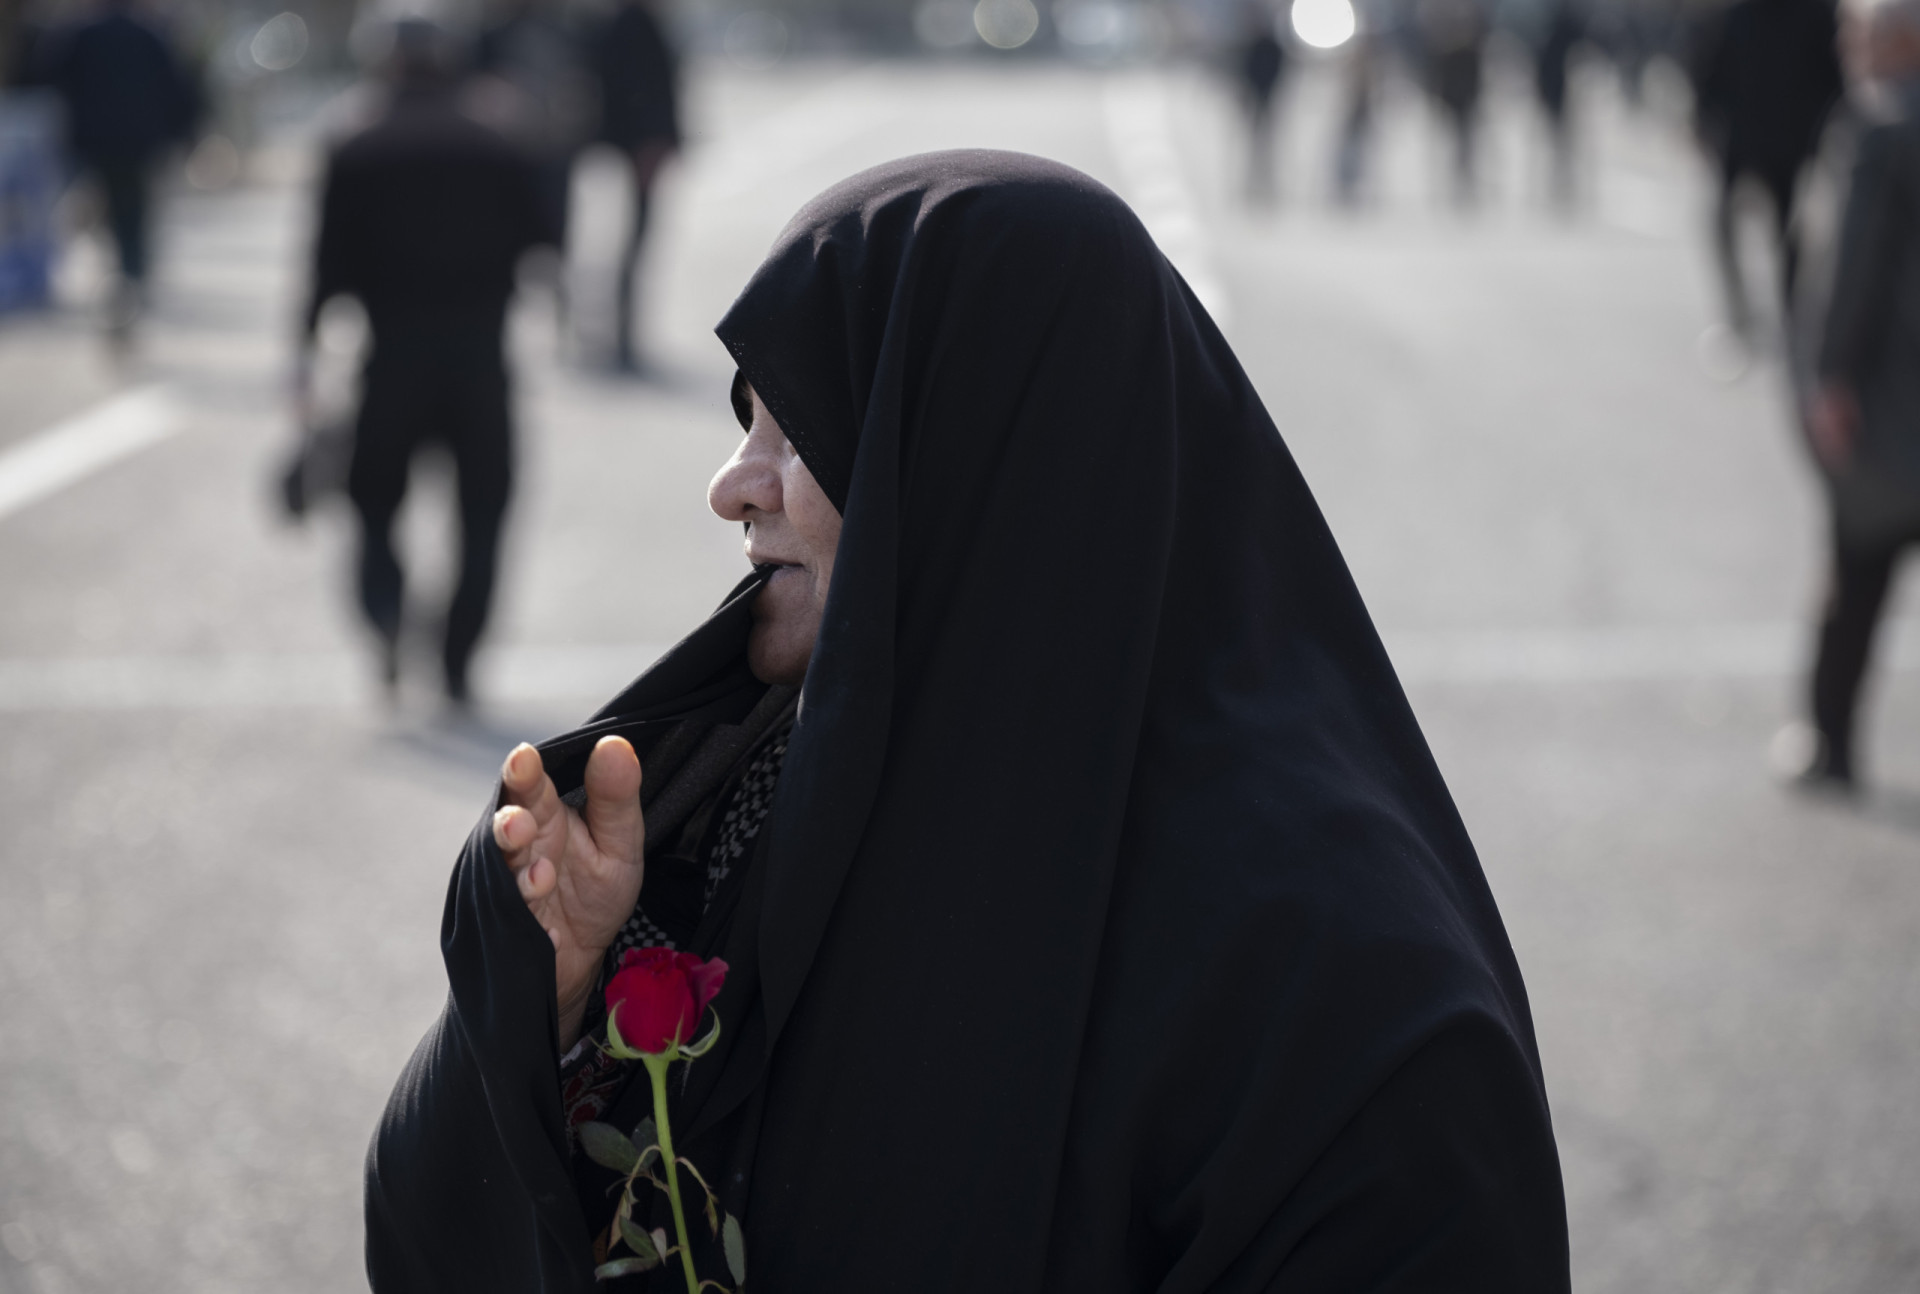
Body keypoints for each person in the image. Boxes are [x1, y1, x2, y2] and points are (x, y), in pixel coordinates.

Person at [363, 151, 1570, 1290]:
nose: (733, 484)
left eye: (806, 429)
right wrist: (551, 1008)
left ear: (974, 458)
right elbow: (436, 1247)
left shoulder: (1339, 983)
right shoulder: (738, 804)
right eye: (748, 423)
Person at [297, 21, 554, 704]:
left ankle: (385, 613)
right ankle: (457, 660)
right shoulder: (499, 137)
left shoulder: (355, 141)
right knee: (484, 514)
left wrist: (301, 358)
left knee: (374, 503)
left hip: (389, 359)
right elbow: (546, 234)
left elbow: (323, 267)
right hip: (479, 358)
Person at [1786, 0, 1920, 789]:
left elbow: (1850, 267)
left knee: (1856, 579)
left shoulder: (1878, 126)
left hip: (1891, 400)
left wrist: (1830, 378)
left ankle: (1829, 744)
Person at [37, 0, 194, 339]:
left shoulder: (80, 34)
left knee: (101, 213)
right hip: (139, 144)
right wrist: (180, 136)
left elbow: (48, 77)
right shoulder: (150, 36)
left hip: (93, 144)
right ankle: (129, 280)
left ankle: (119, 281)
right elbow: (178, 89)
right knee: (132, 215)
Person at [1691, 0, 1843, 336]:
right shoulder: (1733, 15)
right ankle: (1740, 310)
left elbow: (1832, 81)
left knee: (1788, 233)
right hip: (1741, 141)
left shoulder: (1813, 14)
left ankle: (1790, 311)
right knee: (1723, 224)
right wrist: (1703, 123)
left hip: (1788, 142)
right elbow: (1707, 72)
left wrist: (1816, 134)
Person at [592, 0, 680, 372]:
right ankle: (618, 336)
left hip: (637, 148)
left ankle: (620, 335)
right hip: (635, 150)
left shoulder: (634, 19)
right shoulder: (632, 21)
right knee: (627, 245)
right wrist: (650, 142)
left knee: (632, 245)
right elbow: (637, 88)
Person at [1418, 0, 1488, 204]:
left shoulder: (1469, 51)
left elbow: (1475, 76)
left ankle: (1464, 181)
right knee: (1451, 143)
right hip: (1450, 99)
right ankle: (1451, 181)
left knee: (1465, 143)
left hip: (1465, 100)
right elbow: (1437, 76)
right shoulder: (1445, 51)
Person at [1235, 4, 1287, 202]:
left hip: (1267, 96)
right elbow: (1246, 71)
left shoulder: (1270, 46)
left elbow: (1278, 71)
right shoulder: (1255, 45)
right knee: (1255, 141)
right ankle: (1254, 182)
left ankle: (1265, 182)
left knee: (1265, 142)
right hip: (1258, 96)